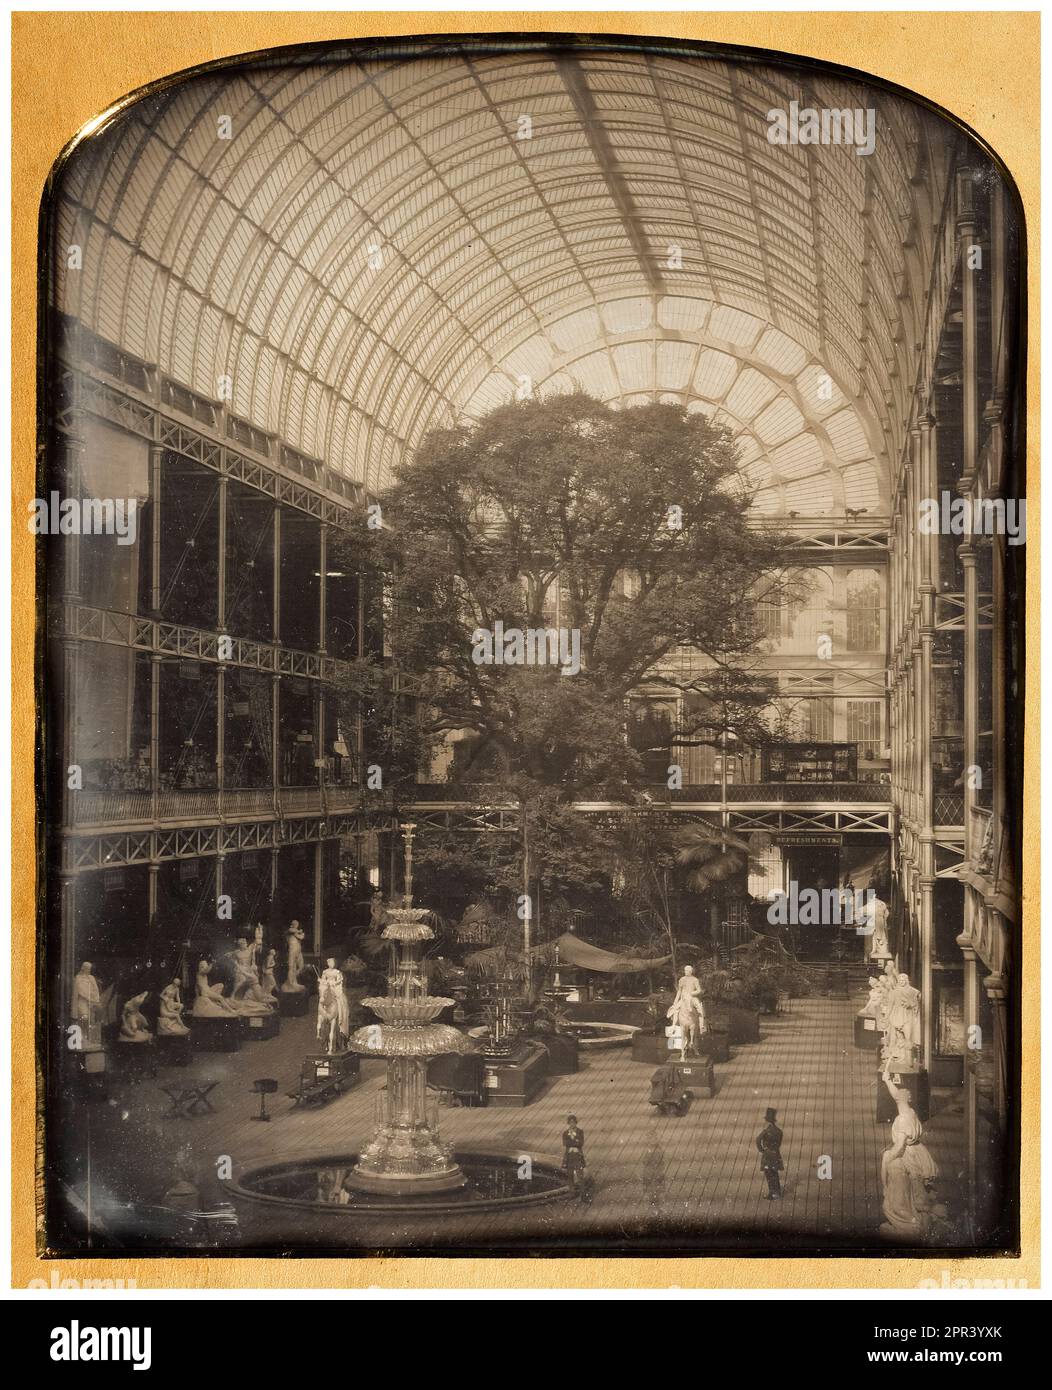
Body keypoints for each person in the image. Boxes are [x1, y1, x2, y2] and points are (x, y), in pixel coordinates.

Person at [756, 1106, 784, 1199]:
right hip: (776, 1153)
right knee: (775, 1173)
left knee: (768, 1174)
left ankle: (772, 1193)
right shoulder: (779, 1131)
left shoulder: (766, 1131)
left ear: (767, 1121)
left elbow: (758, 1140)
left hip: (767, 1154)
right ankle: (777, 1192)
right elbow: (779, 1143)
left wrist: (761, 1149)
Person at [562, 1115, 586, 1196]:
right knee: (570, 1175)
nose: (572, 1124)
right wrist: (575, 1142)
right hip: (569, 1156)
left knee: (580, 1175)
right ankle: (572, 1193)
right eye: (570, 1123)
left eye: (574, 1122)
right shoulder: (565, 1133)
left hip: (577, 1155)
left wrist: (572, 1143)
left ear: (576, 1122)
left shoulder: (580, 1131)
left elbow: (581, 1143)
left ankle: (583, 1193)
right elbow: (565, 1143)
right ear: (568, 1123)